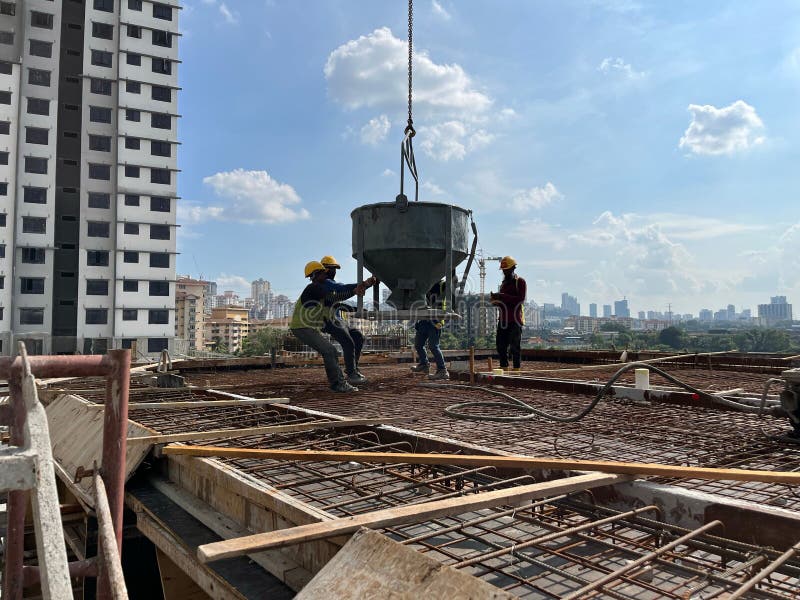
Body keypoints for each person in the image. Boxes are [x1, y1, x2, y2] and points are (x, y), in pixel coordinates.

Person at [289, 261, 365, 393]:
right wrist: (357, 288)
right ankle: (338, 384)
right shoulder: (313, 288)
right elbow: (336, 294)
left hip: (308, 328)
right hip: (302, 327)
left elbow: (336, 300)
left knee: (330, 351)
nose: (327, 275)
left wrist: (355, 303)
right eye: (323, 273)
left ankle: (338, 383)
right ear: (315, 275)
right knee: (330, 351)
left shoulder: (321, 293)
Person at [319, 255, 375, 385]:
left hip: (335, 319)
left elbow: (338, 303)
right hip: (327, 320)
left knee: (357, 335)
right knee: (348, 342)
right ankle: (352, 374)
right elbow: (343, 289)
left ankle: (352, 368)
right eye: (333, 269)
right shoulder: (325, 283)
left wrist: (356, 308)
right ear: (326, 269)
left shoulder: (328, 286)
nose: (335, 272)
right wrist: (365, 284)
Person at [490, 256, 526, 371]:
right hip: (503, 321)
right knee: (501, 346)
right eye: (504, 270)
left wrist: (502, 296)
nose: (505, 272)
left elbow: (520, 299)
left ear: (513, 268)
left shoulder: (520, 282)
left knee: (515, 348)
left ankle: (516, 370)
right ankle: (504, 368)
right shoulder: (503, 284)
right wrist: (496, 301)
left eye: (507, 270)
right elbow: (503, 303)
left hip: (515, 320)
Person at [410, 279, 449, 380]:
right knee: (418, 344)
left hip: (436, 320)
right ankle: (424, 365)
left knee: (433, 346)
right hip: (424, 319)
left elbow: (449, 299)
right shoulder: (424, 283)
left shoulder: (443, 285)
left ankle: (442, 371)